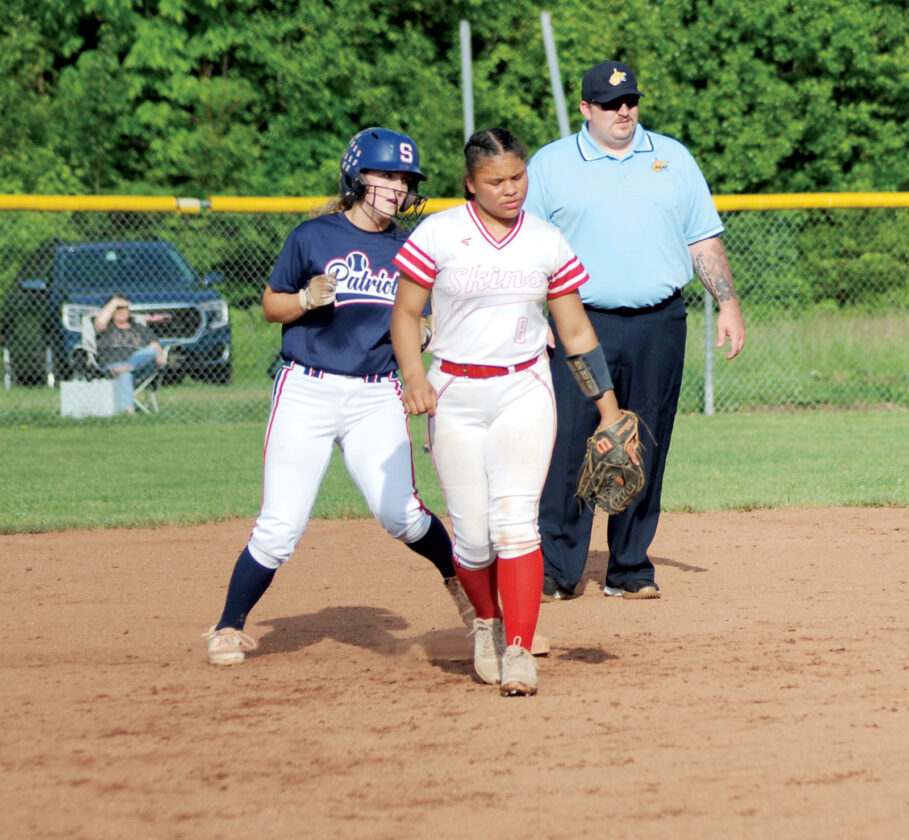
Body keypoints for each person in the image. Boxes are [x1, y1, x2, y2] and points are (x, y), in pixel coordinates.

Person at [204, 127, 472, 666]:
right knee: (281, 525)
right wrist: (303, 298)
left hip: (376, 394)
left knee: (402, 515)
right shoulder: (313, 237)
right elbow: (271, 306)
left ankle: (459, 584)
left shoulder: (409, 246)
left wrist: (423, 334)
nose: (398, 187)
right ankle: (228, 626)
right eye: (387, 175)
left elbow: (428, 318)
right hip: (307, 388)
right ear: (356, 177)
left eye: (405, 178)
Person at [391, 128, 637, 696]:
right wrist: (412, 376)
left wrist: (609, 409)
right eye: (496, 181)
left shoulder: (545, 240)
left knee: (515, 523)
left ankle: (521, 649)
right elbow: (406, 314)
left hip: (524, 388)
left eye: (518, 177)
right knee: (473, 540)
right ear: (470, 185)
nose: (510, 190)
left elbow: (574, 329)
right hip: (454, 391)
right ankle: (487, 625)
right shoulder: (441, 234)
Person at [524, 59, 746, 602]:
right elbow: (526, 249)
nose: (623, 111)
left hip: (659, 323)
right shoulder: (552, 164)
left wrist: (729, 302)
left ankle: (628, 567)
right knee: (572, 443)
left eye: (630, 101)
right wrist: (532, 317)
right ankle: (559, 568)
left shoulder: (672, 158)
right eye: (609, 103)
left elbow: (702, 240)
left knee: (644, 442)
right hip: (580, 320)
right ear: (586, 109)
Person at [93, 294, 166, 415]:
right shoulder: (106, 329)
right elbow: (99, 322)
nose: (121, 311)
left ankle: (128, 365)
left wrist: (160, 356)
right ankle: (128, 412)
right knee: (125, 374)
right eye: (118, 308)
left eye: (124, 308)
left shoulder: (139, 328)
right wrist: (115, 301)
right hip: (113, 368)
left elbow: (156, 347)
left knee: (152, 350)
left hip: (139, 369)